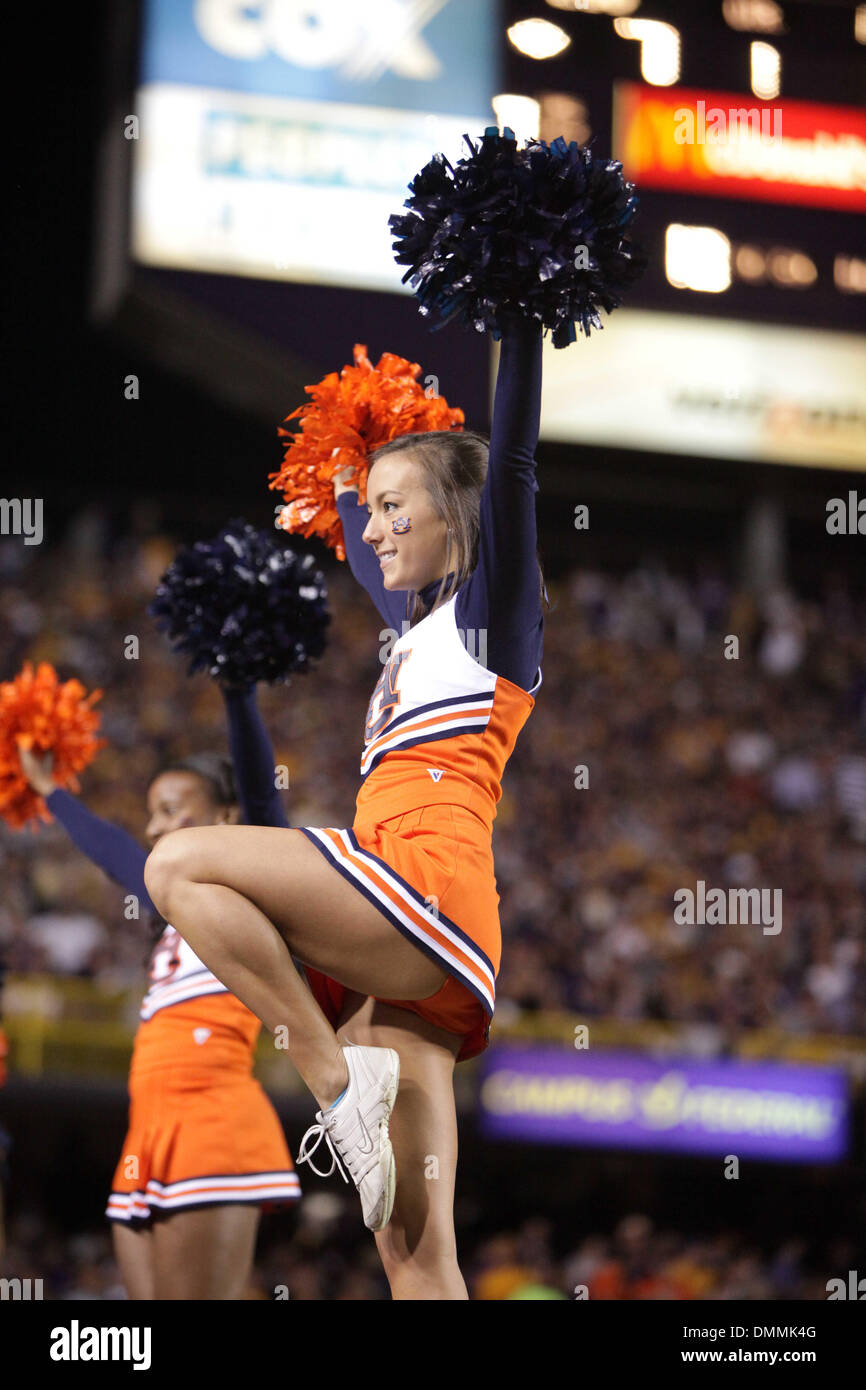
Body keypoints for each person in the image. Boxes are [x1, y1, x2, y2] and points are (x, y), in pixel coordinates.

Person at [143, 316, 545, 1300]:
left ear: (457, 511)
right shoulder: (414, 630)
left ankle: (329, 1083)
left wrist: (521, 322)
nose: (370, 531)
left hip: (421, 885)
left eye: (391, 508)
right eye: (368, 511)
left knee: (176, 866)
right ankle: (345, 1085)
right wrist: (345, 461)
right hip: (419, 934)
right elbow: (354, 523)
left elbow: (515, 467)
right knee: (414, 1251)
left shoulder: (497, 610)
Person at [17, 682, 301, 1299]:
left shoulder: (256, 885)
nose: (153, 827)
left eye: (172, 809)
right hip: (146, 1128)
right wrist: (49, 792)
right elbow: (113, 851)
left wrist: (237, 688)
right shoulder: (171, 907)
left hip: (211, 1117)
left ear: (227, 817)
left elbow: (258, 788)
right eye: (152, 813)